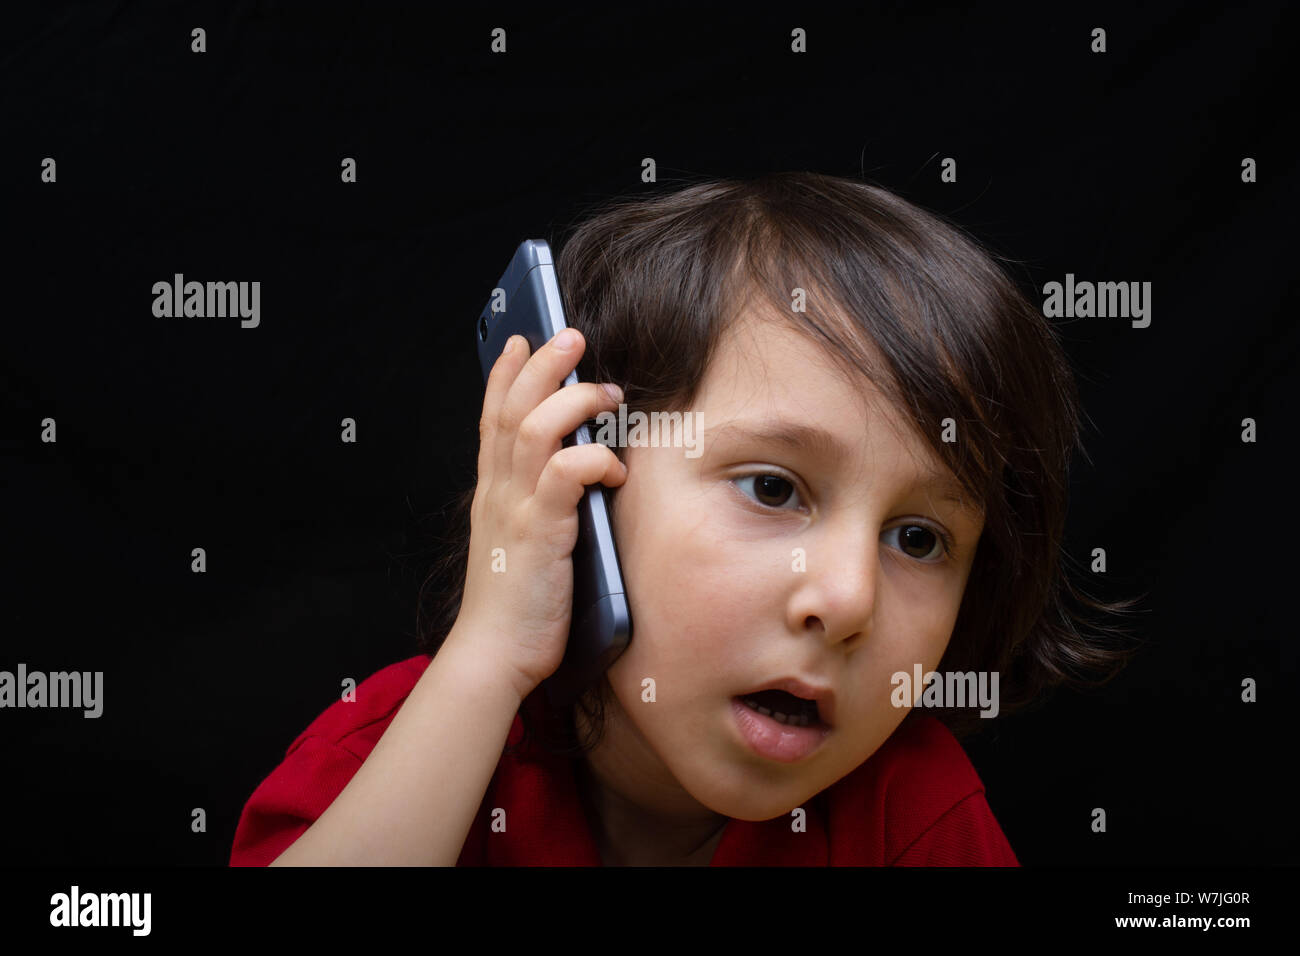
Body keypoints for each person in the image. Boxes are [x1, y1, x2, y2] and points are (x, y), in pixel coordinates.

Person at [230, 172, 1137, 867]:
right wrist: (487, 656)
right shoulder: (399, 746)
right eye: (773, 489)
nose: (847, 598)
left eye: (918, 539)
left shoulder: (909, 814)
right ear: (583, 482)